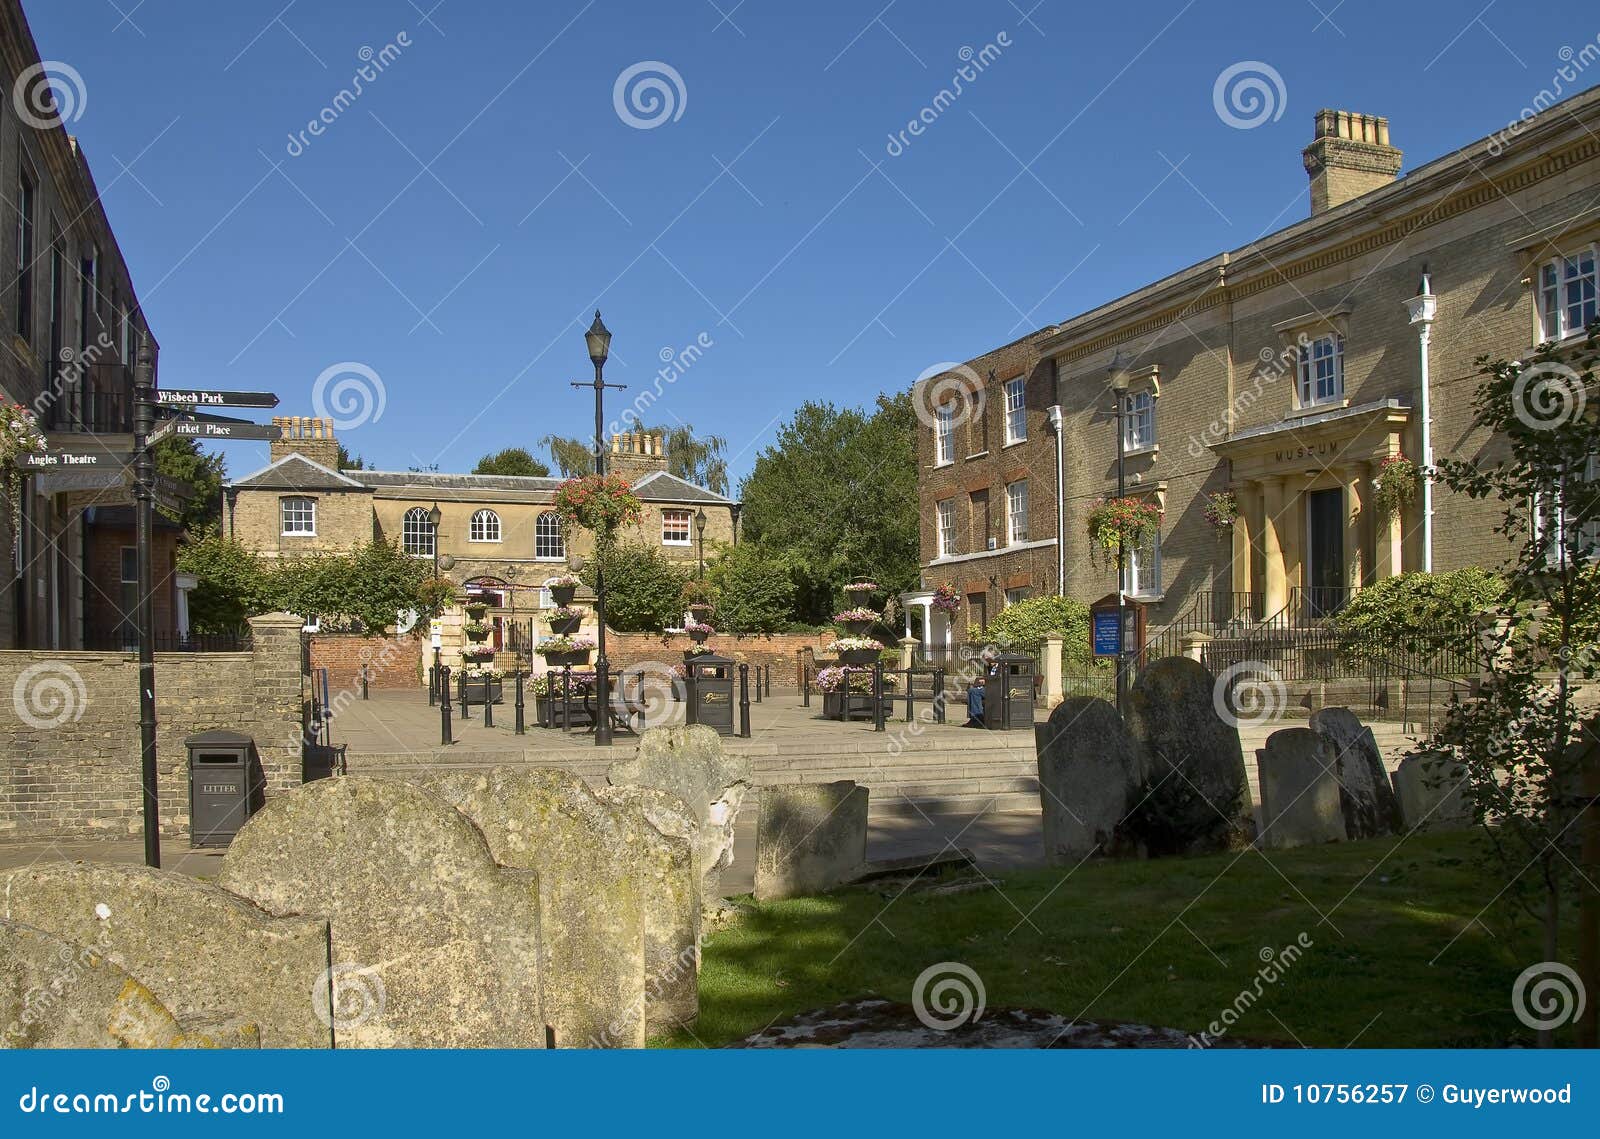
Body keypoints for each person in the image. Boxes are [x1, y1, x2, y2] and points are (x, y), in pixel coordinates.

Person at [964, 653, 1000, 728]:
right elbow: (988, 677)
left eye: (987, 660)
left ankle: (978, 718)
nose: (986, 662)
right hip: (988, 688)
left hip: (996, 690)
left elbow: (999, 679)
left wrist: (986, 681)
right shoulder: (989, 666)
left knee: (974, 692)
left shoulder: (1000, 667)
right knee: (971, 690)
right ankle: (973, 718)